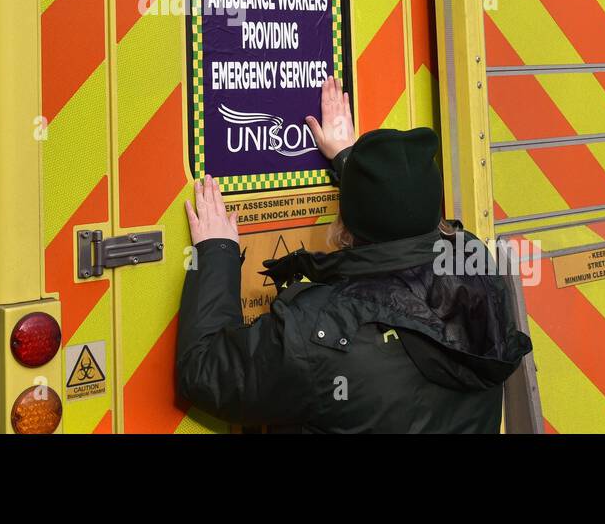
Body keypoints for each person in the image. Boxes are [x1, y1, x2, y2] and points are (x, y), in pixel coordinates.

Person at [176, 76, 532, 433]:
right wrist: (356, 167)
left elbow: (204, 371)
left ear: (347, 225)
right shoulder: (477, 270)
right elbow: (407, 232)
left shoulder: (319, 333)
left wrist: (216, 252)